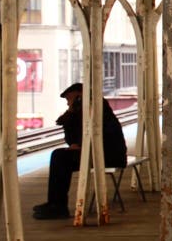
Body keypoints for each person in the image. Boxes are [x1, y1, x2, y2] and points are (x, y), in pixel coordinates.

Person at [32, 83, 127, 220]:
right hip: (97, 153)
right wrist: (70, 112)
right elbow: (70, 137)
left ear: (80, 96)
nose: (68, 103)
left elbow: (101, 134)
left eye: (69, 99)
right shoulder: (79, 111)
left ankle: (58, 206)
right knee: (60, 155)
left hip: (110, 155)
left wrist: (82, 146)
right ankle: (54, 203)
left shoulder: (98, 107)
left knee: (61, 158)